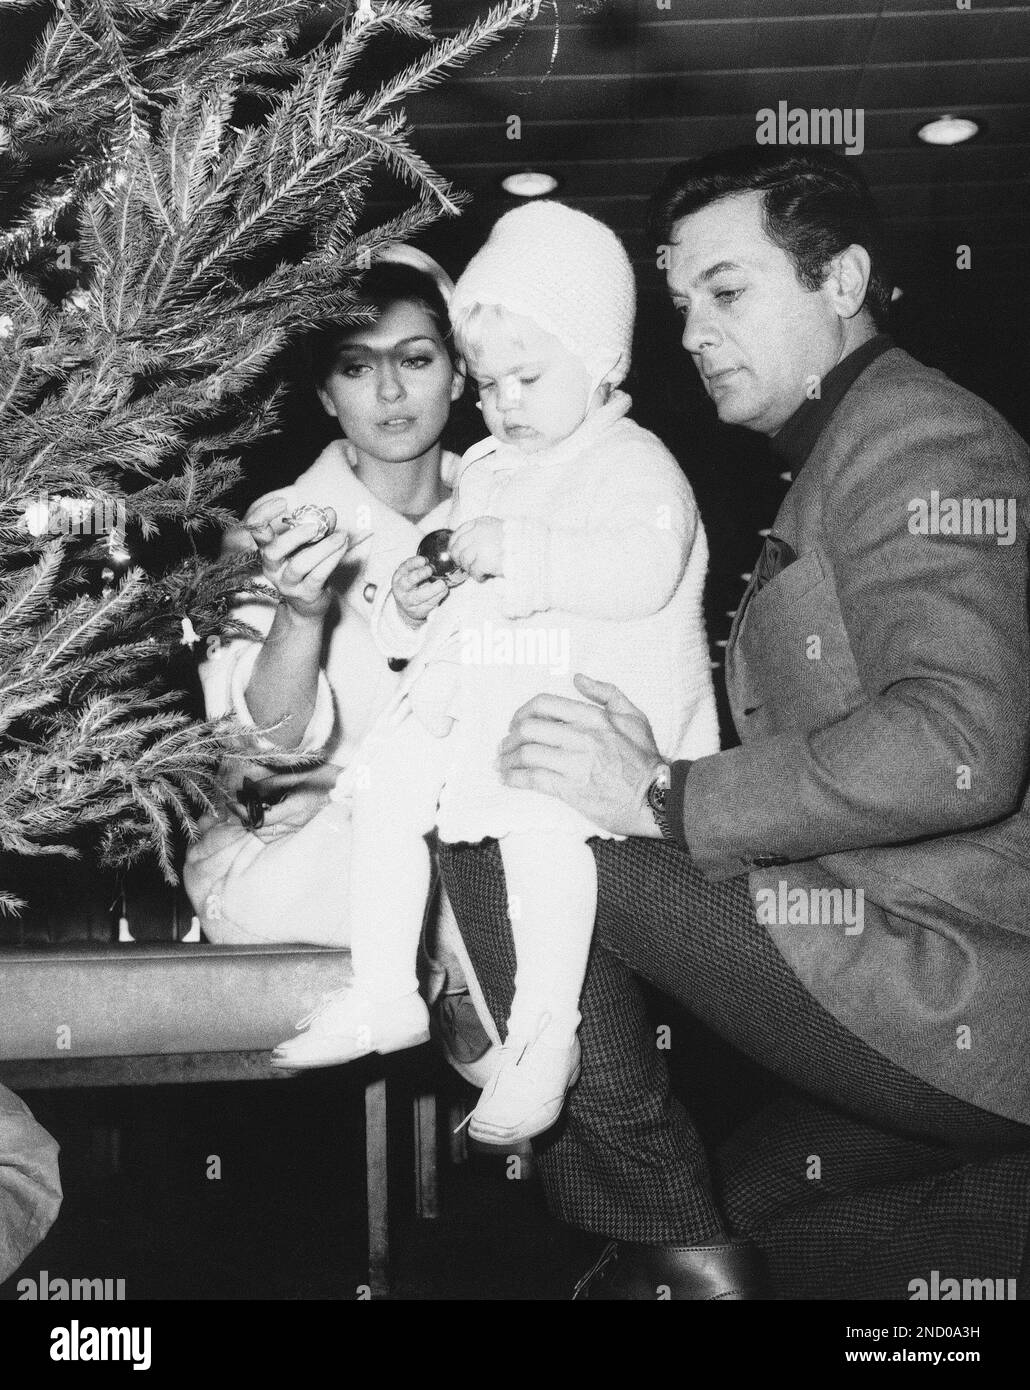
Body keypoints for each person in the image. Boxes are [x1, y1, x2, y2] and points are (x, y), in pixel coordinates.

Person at [439, 147, 1030, 1299]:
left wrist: (664, 794)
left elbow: (960, 747)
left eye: (727, 290)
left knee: (506, 819)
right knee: (739, 1243)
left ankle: (658, 1246)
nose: (695, 330)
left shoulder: (918, 442)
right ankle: (667, 1256)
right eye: (678, 305)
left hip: (960, 976)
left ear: (842, 279)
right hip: (912, 960)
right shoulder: (834, 458)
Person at [270, 203, 720, 1150]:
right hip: (484, 696)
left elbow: (643, 572)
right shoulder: (493, 466)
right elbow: (435, 609)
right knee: (387, 784)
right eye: (488, 382)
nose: (505, 402)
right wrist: (416, 599)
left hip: (587, 722)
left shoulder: (633, 463)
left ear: (604, 364)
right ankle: (386, 988)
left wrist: (516, 551)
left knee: (533, 835)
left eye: (528, 377)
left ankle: (546, 1034)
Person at [183, 255, 493, 1072]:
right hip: (305, 870)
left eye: (416, 359)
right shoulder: (273, 529)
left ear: (459, 375)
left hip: (475, 851)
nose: (390, 393)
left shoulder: (508, 512)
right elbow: (261, 750)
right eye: (358, 367)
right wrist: (303, 611)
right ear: (326, 393)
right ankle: (459, 986)